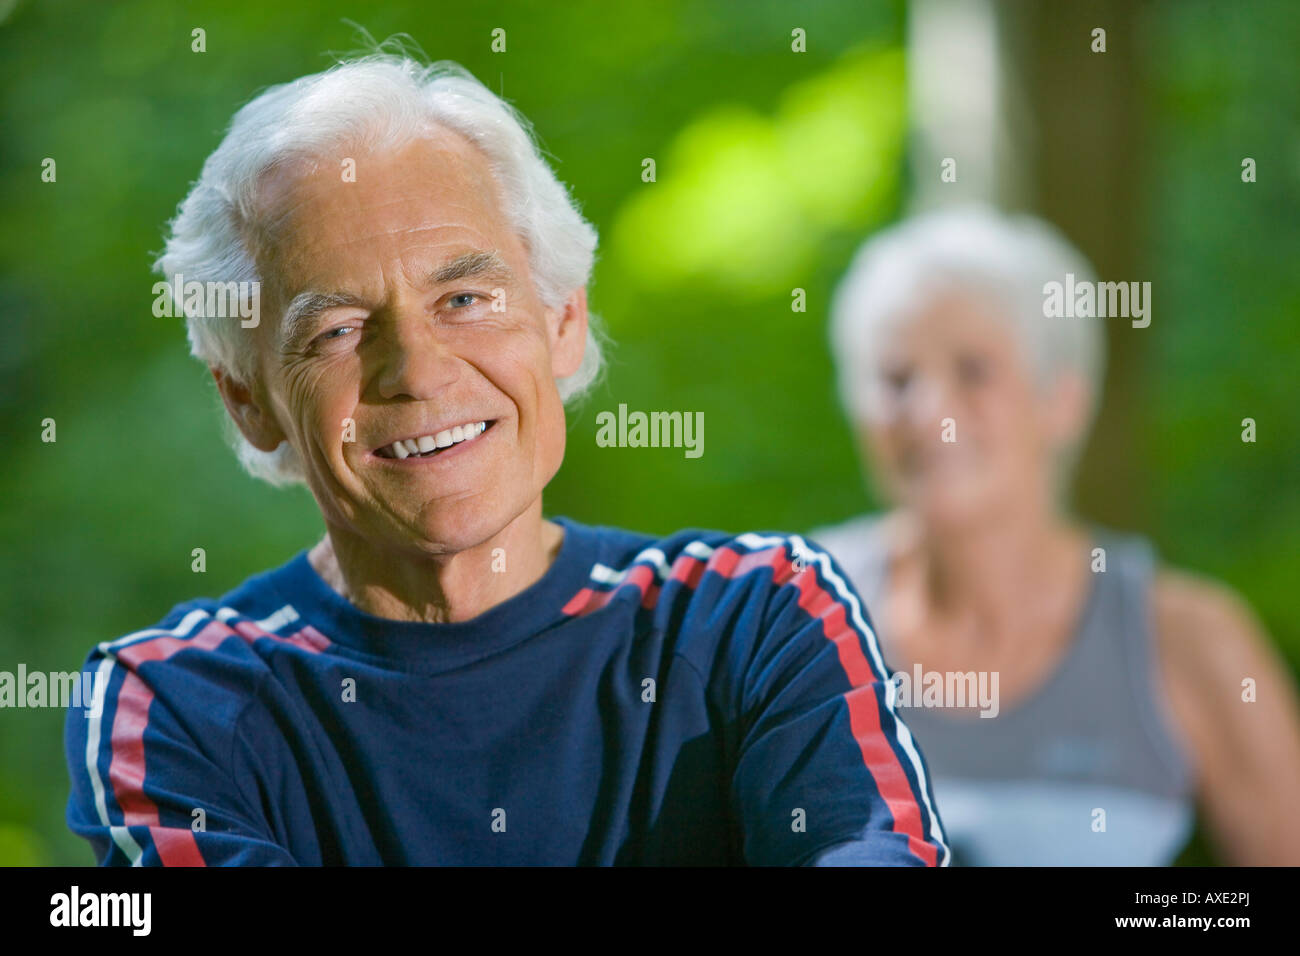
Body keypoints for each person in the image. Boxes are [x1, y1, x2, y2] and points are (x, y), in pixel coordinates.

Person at [62, 52, 948, 866]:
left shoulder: (760, 619)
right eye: (336, 329)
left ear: (562, 318)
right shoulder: (169, 704)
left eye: (466, 296)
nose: (415, 369)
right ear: (249, 401)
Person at [812, 205, 1300, 865]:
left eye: (974, 371)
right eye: (896, 380)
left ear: (1062, 400)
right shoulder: (797, 617)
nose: (931, 415)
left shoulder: (1189, 643)